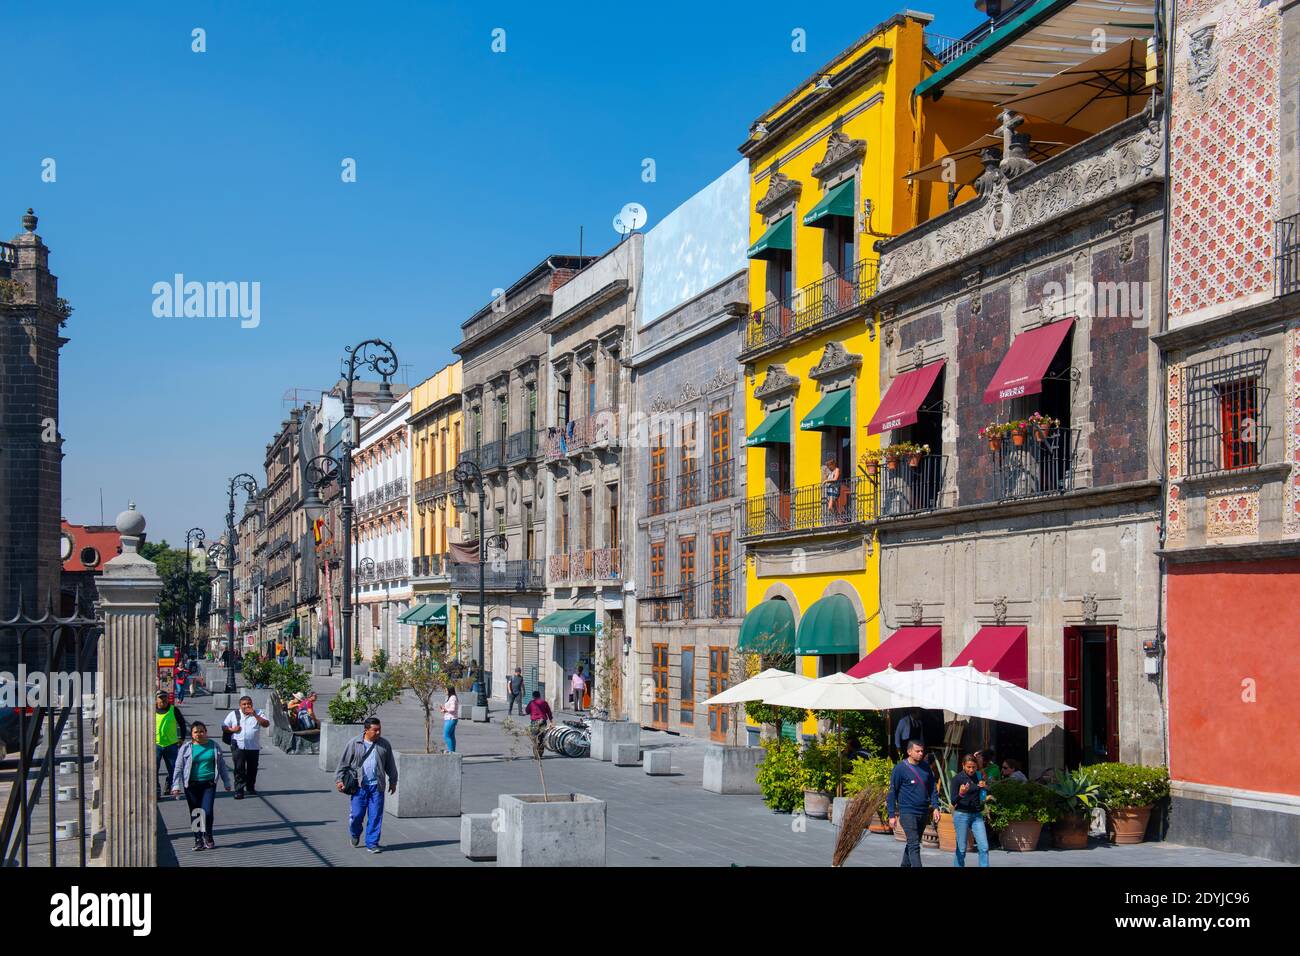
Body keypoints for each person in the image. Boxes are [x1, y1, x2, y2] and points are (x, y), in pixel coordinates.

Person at [334, 716, 398, 853]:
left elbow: (390, 765)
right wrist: (339, 780)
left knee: (375, 816)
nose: (378, 733)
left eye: (380, 729)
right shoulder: (354, 743)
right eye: (375, 730)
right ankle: (355, 833)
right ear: (366, 730)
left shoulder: (384, 744)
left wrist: (393, 781)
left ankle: (372, 843)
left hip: (377, 787)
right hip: (359, 787)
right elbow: (343, 763)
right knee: (357, 815)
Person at [170, 721, 231, 851]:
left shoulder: (214, 746)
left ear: (206, 732)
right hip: (191, 785)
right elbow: (178, 767)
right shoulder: (186, 748)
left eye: (201, 731)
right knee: (196, 812)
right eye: (196, 732)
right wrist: (175, 785)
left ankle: (208, 835)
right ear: (192, 734)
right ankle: (198, 839)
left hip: (208, 784)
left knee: (207, 812)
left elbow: (221, 765)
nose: (199, 734)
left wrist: (226, 782)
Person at [886, 740, 939, 867]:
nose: (921, 753)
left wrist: (936, 807)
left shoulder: (926, 767)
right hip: (907, 812)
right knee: (914, 845)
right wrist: (892, 815)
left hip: (923, 812)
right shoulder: (900, 769)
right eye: (917, 751)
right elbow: (892, 792)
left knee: (912, 843)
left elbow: (932, 788)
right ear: (909, 752)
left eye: (922, 751)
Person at [222, 695, 270, 799]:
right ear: (240, 705)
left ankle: (250, 787)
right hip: (238, 746)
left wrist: (255, 715)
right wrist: (232, 730)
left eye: (249, 704)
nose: (246, 706)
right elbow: (224, 726)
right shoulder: (233, 714)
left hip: (253, 747)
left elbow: (266, 724)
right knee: (239, 768)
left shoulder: (258, 713)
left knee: (252, 769)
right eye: (244, 704)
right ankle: (239, 790)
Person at [950, 754, 990, 867]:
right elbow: (953, 801)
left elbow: (986, 791)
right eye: (968, 767)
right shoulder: (957, 779)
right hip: (961, 814)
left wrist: (985, 787)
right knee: (962, 849)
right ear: (963, 766)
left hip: (977, 815)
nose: (971, 770)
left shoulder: (978, 776)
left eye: (974, 767)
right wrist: (961, 794)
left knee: (984, 847)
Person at [155, 692, 188, 798]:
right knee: (154, 769)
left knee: (173, 768)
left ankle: (169, 784)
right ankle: (156, 789)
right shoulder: (151, 710)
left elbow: (182, 724)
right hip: (156, 745)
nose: (163, 700)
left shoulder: (174, 710)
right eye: (160, 698)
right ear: (156, 700)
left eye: (164, 698)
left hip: (171, 745)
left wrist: (182, 738)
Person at [441, 685, 459, 753]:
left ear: (450, 690)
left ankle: (450, 751)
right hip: (450, 718)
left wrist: (446, 710)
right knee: (451, 735)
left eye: (446, 690)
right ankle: (452, 751)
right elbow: (450, 708)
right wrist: (444, 710)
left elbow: (453, 709)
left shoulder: (453, 698)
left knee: (446, 735)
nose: (445, 691)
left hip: (451, 719)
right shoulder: (449, 697)